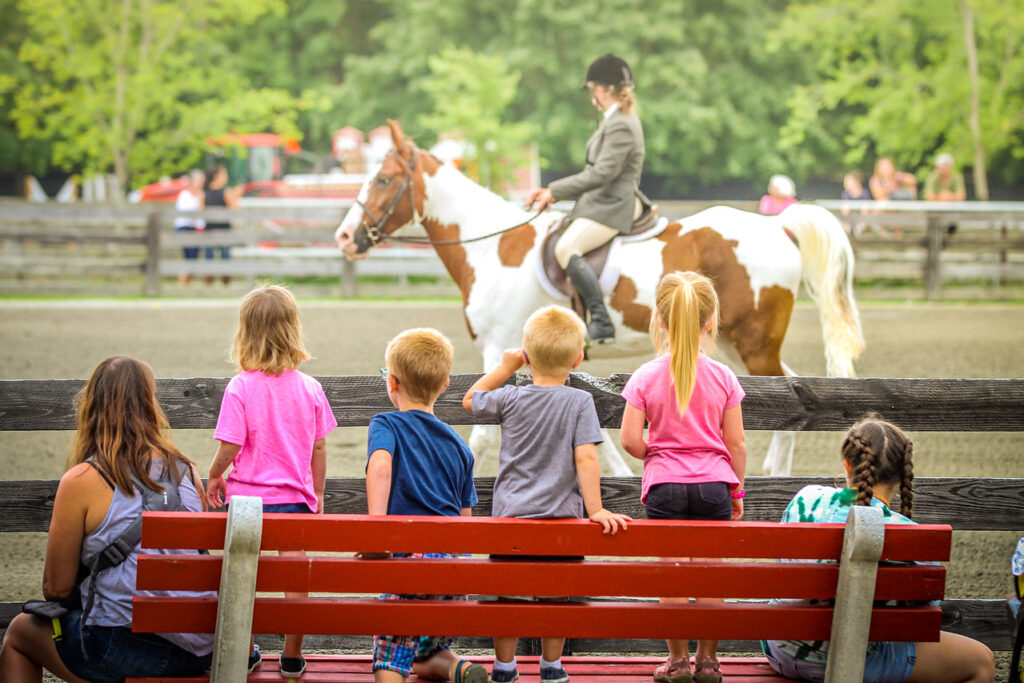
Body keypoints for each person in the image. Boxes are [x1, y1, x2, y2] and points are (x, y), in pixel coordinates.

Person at [0, 356, 214, 682]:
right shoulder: (186, 471)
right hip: (197, 651)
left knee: (20, 632)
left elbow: (55, 588)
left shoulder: (83, 479)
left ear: (91, 405)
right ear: (149, 405)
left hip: (123, 648)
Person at [461, 305, 631, 683]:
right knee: (556, 598)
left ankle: (505, 667)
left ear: (526, 354)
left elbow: (470, 400)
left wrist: (506, 367)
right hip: (562, 522)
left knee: (508, 597)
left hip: (512, 520)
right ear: (578, 358)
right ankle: (552, 666)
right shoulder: (579, 402)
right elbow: (586, 457)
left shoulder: (510, 397)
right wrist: (597, 509)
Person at [761, 418, 995, 682]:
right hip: (855, 660)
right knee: (981, 661)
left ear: (847, 464)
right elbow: (924, 614)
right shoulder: (909, 536)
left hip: (781, 651)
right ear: (901, 475)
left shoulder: (806, 499)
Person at [619, 271, 747, 683]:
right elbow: (738, 444)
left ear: (659, 320)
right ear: (709, 322)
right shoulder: (724, 376)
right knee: (711, 573)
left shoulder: (644, 376)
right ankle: (708, 662)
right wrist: (736, 490)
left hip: (664, 488)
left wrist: (655, 454)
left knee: (671, 573)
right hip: (713, 487)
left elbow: (628, 440)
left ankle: (677, 662)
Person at [206, 284, 337, 679]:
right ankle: (293, 656)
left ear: (245, 332)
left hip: (246, 501)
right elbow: (318, 449)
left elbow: (231, 443)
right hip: (295, 501)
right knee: (295, 579)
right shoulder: (310, 387)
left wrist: (214, 475)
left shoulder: (241, 386)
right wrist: (317, 494)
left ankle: (245, 652)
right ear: (293, 330)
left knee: (241, 578)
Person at [366, 328, 485, 683]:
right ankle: (456, 667)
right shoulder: (459, 445)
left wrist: (376, 532)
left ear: (392, 382)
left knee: (391, 654)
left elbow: (382, 465)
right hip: (452, 564)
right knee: (426, 652)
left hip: (409, 558)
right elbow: (465, 519)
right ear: (445, 384)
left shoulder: (386, 423)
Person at [525, 53, 645, 345]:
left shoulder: (621, 124)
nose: (592, 96)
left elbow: (602, 173)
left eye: (593, 90)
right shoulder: (614, 119)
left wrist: (555, 190)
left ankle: (601, 320)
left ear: (601, 90)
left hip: (614, 202)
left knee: (566, 247)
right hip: (601, 199)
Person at [203, 163, 240, 286]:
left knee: (209, 257)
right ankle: (225, 284)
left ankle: (209, 284)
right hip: (223, 229)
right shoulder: (226, 192)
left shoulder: (204, 193)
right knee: (225, 257)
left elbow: (200, 211)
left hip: (209, 229)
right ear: (217, 176)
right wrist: (237, 195)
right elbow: (234, 208)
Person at [173, 169, 205, 287]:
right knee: (188, 256)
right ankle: (182, 282)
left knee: (193, 257)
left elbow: (200, 214)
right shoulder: (184, 195)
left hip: (195, 229)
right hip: (184, 228)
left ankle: (187, 283)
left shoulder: (200, 196)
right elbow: (186, 214)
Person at [840, 172, 872, 236]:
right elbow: (845, 210)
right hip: (850, 218)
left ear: (857, 182)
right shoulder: (846, 194)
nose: (845, 184)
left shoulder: (864, 193)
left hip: (861, 218)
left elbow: (865, 209)